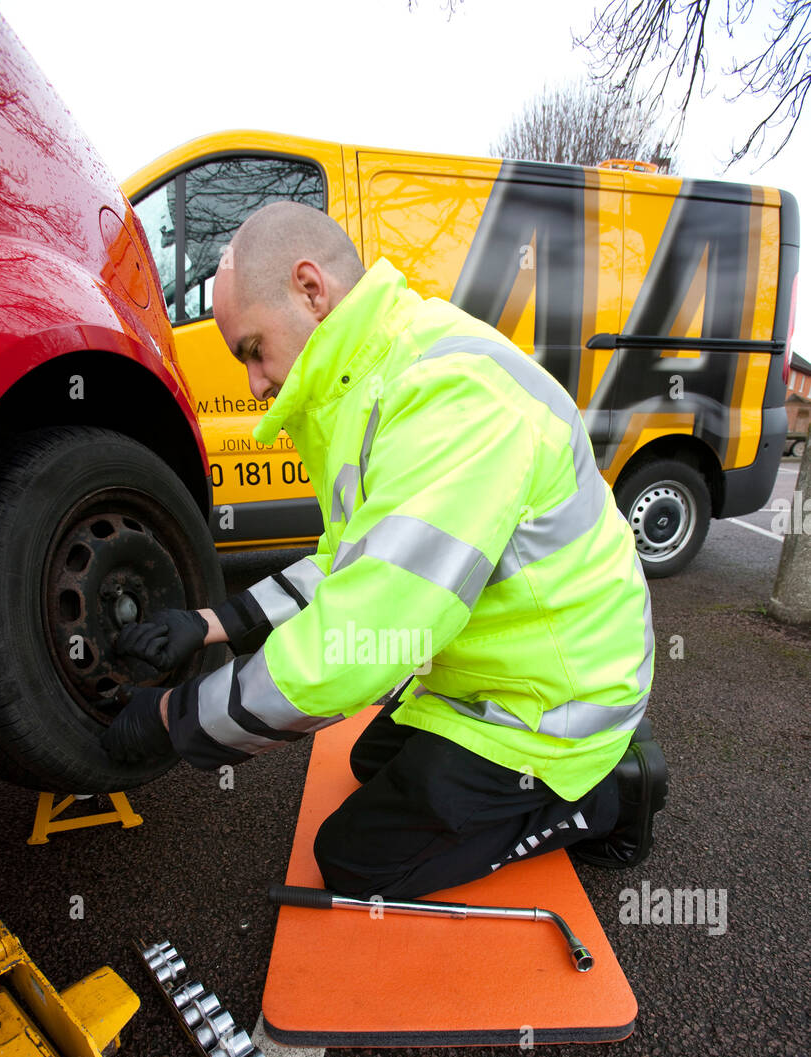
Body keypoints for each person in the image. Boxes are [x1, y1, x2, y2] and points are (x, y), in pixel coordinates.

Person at [102, 200, 667, 899]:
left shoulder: (449, 398)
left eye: (251, 349)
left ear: (312, 291)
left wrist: (172, 719)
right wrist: (210, 624)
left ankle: (607, 796)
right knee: (372, 762)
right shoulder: (379, 378)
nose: (254, 383)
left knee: (355, 861)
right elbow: (349, 564)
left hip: (558, 703)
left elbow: (362, 637)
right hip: (489, 675)